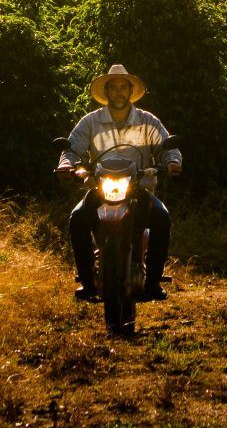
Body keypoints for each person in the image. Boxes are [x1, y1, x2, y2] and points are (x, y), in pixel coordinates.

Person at [61, 62, 180, 302]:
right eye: (113, 88)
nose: (118, 92)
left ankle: (153, 282)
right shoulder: (90, 122)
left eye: (123, 87)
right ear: (106, 92)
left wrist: (172, 161)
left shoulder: (148, 121)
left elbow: (167, 146)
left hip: (138, 189)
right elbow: (71, 149)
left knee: (162, 218)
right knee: (76, 219)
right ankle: (87, 282)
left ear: (129, 91)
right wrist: (67, 163)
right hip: (99, 188)